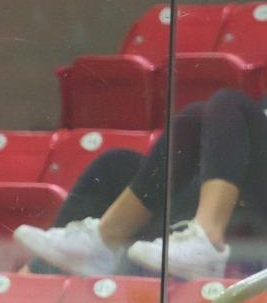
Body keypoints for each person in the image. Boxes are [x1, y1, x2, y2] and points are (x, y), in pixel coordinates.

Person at [14, 86, 267, 280]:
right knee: (120, 163)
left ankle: (208, 240)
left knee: (228, 103)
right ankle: (98, 243)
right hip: (240, 206)